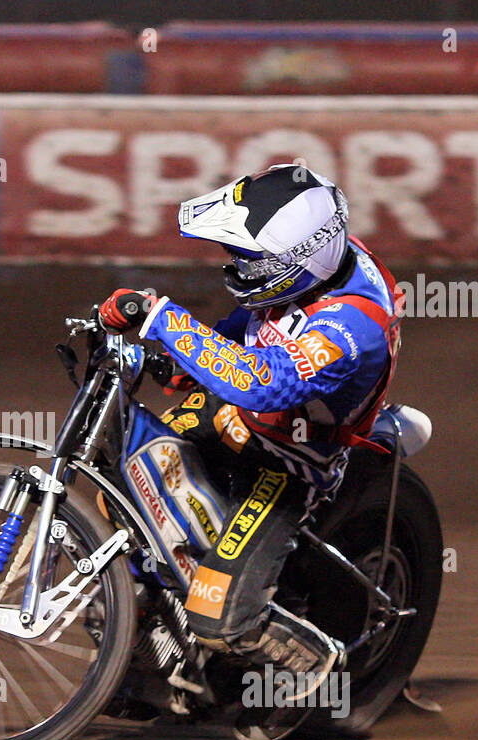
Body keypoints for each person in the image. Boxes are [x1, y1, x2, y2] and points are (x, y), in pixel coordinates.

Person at [97, 164, 403, 682]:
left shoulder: (352, 326)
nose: (240, 266)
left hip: (292, 457)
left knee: (220, 621)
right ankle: (158, 623)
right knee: (125, 477)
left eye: (251, 259)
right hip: (245, 415)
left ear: (301, 261)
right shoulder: (320, 260)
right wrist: (185, 359)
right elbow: (257, 322)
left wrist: (163, 321)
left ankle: (320, 671)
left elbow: (265, 382)